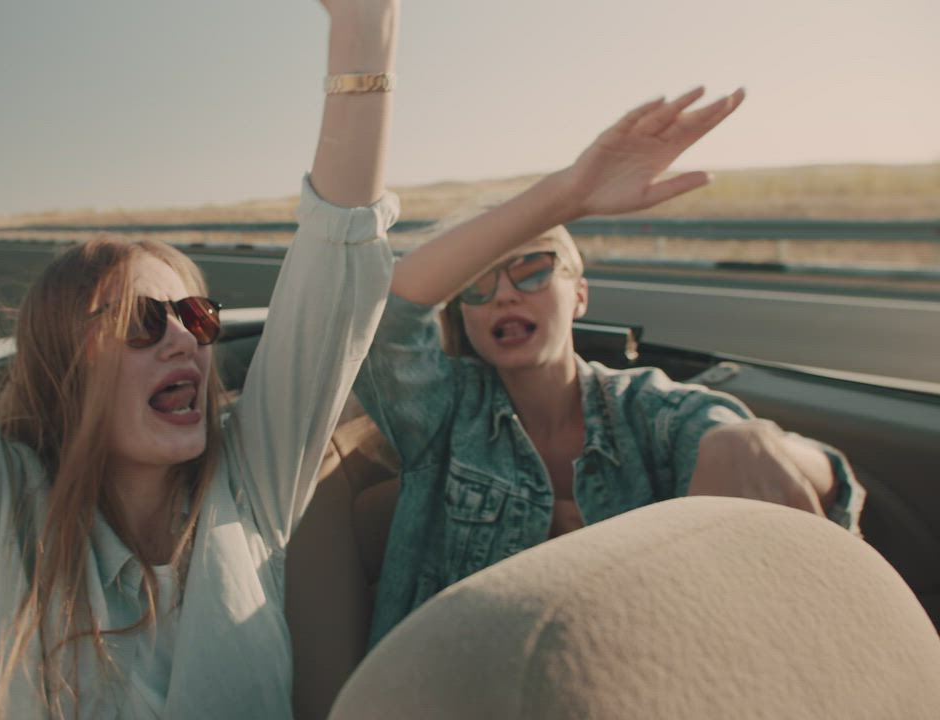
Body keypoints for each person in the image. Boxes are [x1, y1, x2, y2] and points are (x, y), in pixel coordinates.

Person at [0, 0, 401, 716]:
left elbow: (338, 262)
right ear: (64, 368)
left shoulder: (250, 486)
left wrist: (367, 26)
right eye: (140, 322)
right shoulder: (0, 524)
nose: (185, 339)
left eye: (196, 316)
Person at [352, 87, 866, 647]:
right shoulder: (444, 413)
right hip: (454, 676)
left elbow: (818, 477)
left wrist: (754, 443)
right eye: (477, 285)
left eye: (532, 270)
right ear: (463, 314)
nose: (504, 295)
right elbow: (386, 314)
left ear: (579, 295)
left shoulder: (644, 411)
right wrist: (569, 194)